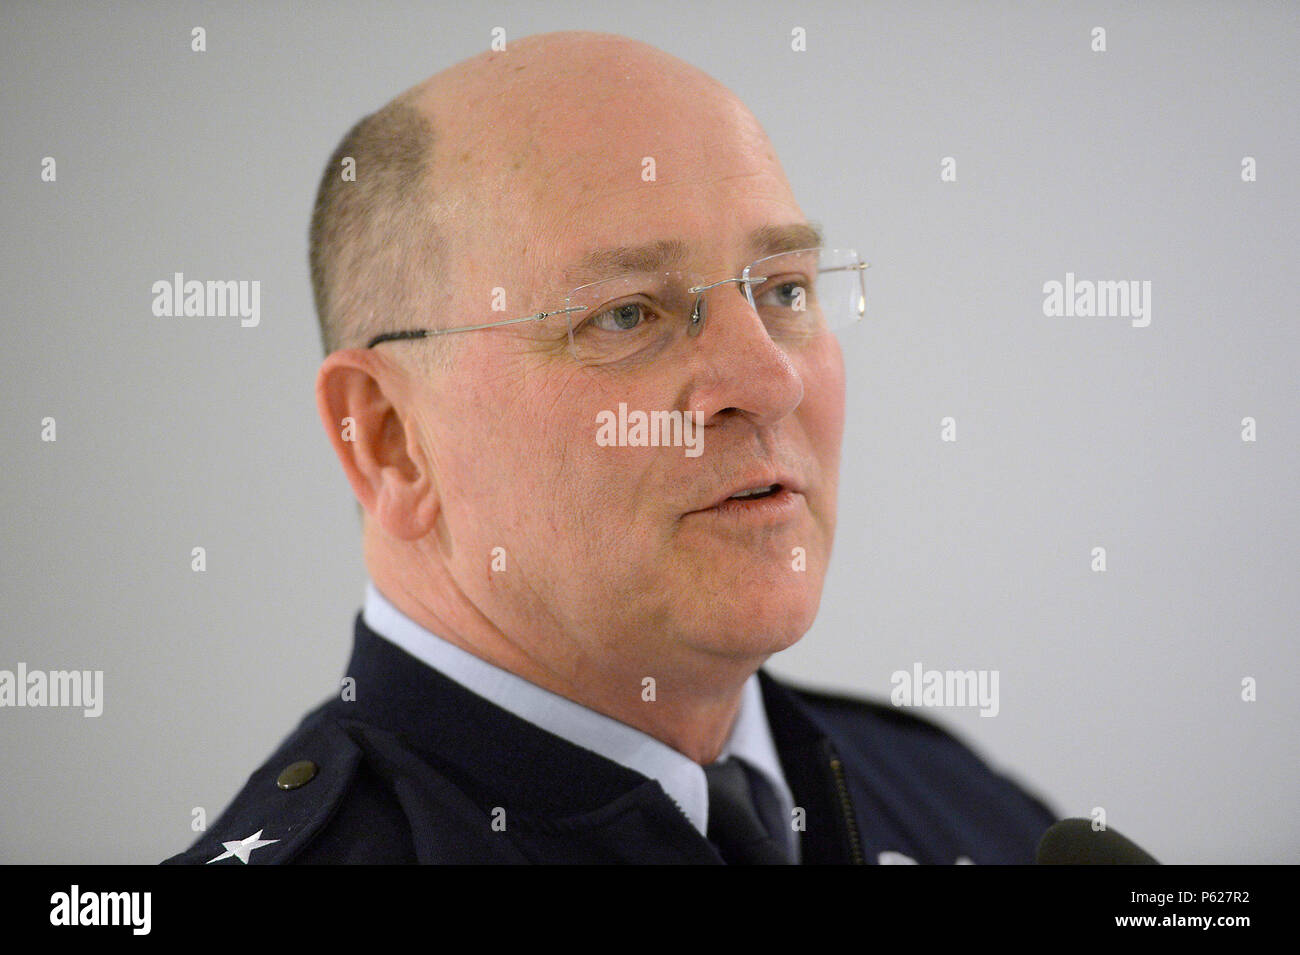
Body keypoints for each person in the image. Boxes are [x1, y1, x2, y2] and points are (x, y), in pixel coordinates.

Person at [163, 30, 1055, 865]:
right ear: (391, 442)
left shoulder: (967, 809)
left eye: (783, 289)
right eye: (627, 313)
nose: (770, 381)